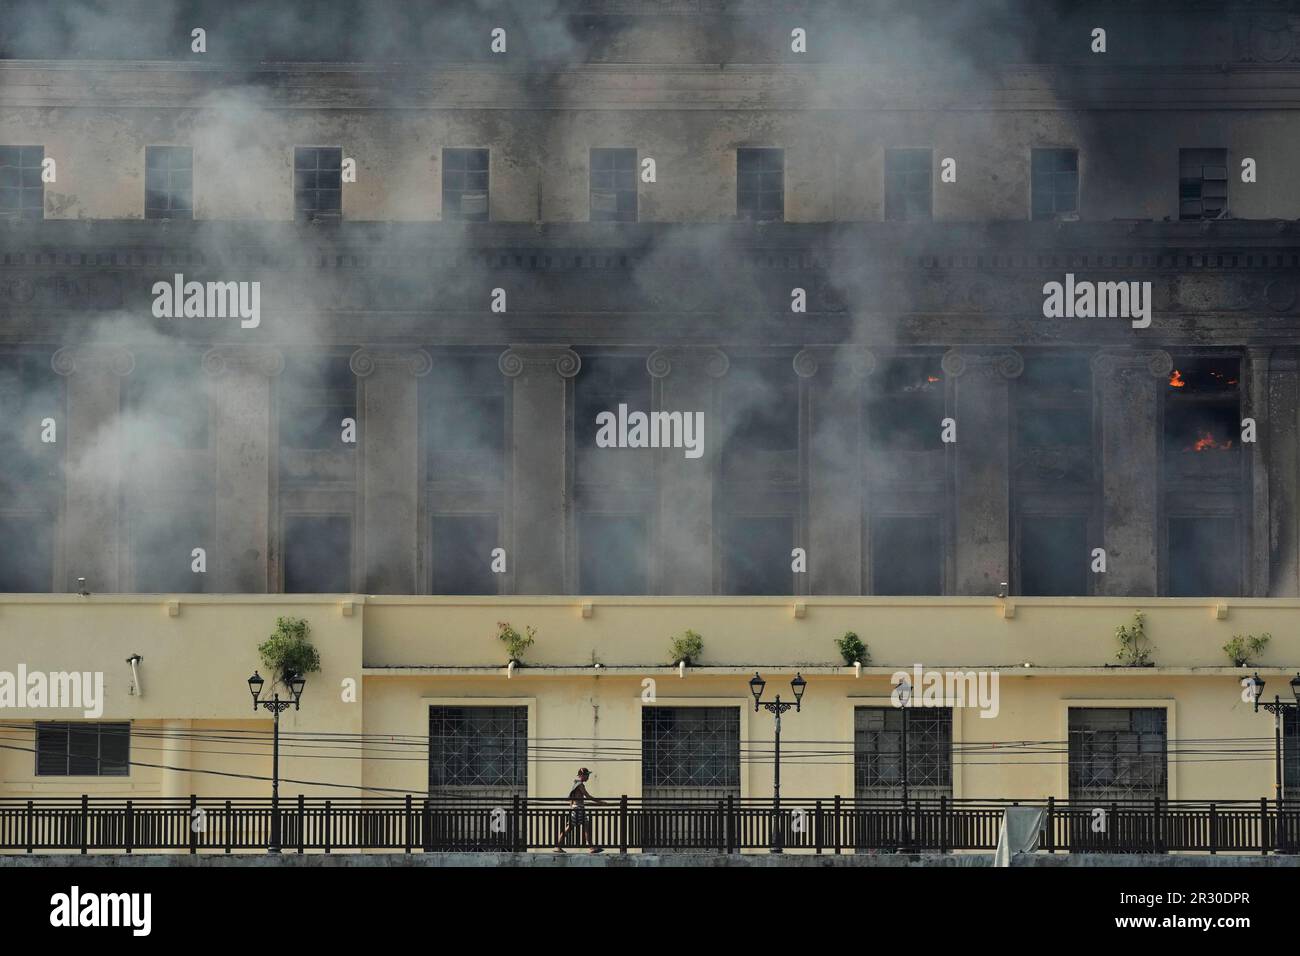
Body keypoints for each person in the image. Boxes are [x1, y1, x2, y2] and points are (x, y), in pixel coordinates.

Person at [556, 767, 604, 853]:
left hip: (576, 808)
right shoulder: (580, 785)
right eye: (587, 775)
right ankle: (591, 847)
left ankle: (559, 846)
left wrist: (572, 807)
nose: (588, 777)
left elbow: (571, 799)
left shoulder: (576, 785)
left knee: (574, 827)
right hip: (578, 809)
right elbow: (587, 796)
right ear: (582, 775)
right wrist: (600, 802)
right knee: (581, 827)